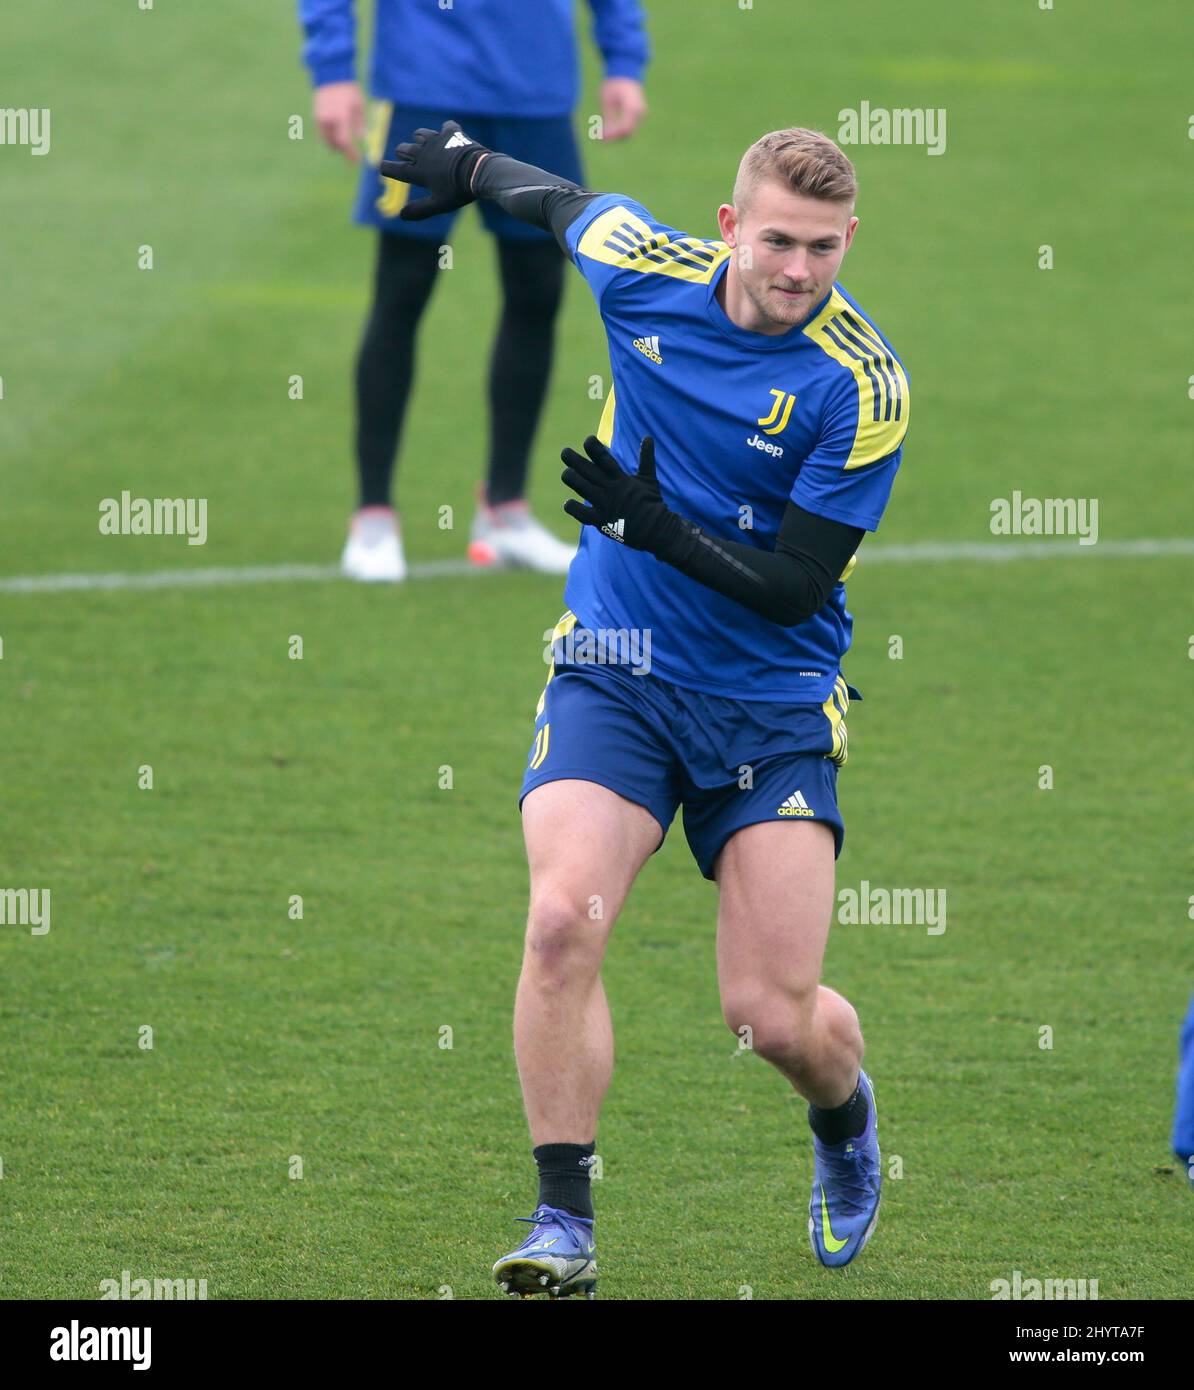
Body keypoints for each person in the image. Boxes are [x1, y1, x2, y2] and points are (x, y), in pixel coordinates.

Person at [380, 120, 911, 1297]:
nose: (798, 272)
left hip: (769, 702)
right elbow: (561, 199)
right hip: (614, 664)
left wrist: (656, 525)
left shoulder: (861, 385)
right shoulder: (649, 266)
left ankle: (845, 1119)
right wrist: (460, 165)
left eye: (824, 249)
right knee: (563, 919)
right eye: (777, 241)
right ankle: (563, 1217)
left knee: (770, 1017)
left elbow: (794, 592)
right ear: (729, 227)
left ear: (848, 241)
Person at [297, 0, 649, 580]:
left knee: (538, 292)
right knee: (402, 291)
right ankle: (373, 516)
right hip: (422, 83)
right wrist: (333, 71)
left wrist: (624, 58)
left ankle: (505, 510)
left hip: (535, 88)